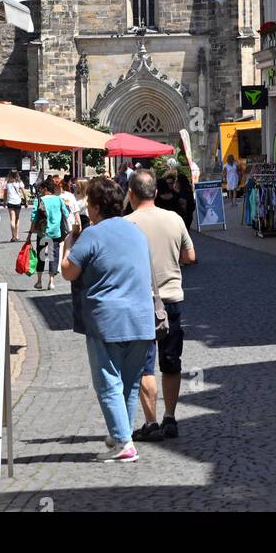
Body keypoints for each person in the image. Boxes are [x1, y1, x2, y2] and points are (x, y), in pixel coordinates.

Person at [61, 176, 155, 463]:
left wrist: (68, 243)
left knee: (108, 382)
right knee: (129, 383)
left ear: (97, 206)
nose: (87, 208)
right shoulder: (135, 231)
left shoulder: (92, 234)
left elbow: (68, 271)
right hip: (141, 319)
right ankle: (119, 434)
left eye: (89, 203)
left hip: (108, 320)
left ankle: (124, 443)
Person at [125, 169, 196, 442]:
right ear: (156, 192)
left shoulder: (126, 224)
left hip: (140, 301)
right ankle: (170, 417)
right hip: (172, 299)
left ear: (131, 194)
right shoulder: (174, 219)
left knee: (145, 365)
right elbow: (190, 256)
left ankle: (151, 422)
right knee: (171, 361)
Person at [31, 177, 67, 291]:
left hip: (42, 233)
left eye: (41, 189)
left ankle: (39, 281)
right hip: (55, 232)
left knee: (41, 256)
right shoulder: (59, 199)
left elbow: (34, 217)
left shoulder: (39, 200)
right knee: (53, 256)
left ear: (45, 189)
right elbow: (66, 213)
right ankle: (51, 281)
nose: (40, 191)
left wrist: (30, 233)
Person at [1, 169, 25, 242]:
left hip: (10, 202)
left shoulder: (7, 183)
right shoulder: (19, 182)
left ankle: (13, 236)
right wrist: (26, 200)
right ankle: (17, 235)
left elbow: (5, 194)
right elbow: (23, 192)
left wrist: (4, 201)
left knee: (12, 219)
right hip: (18, 201)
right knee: (17, 219)